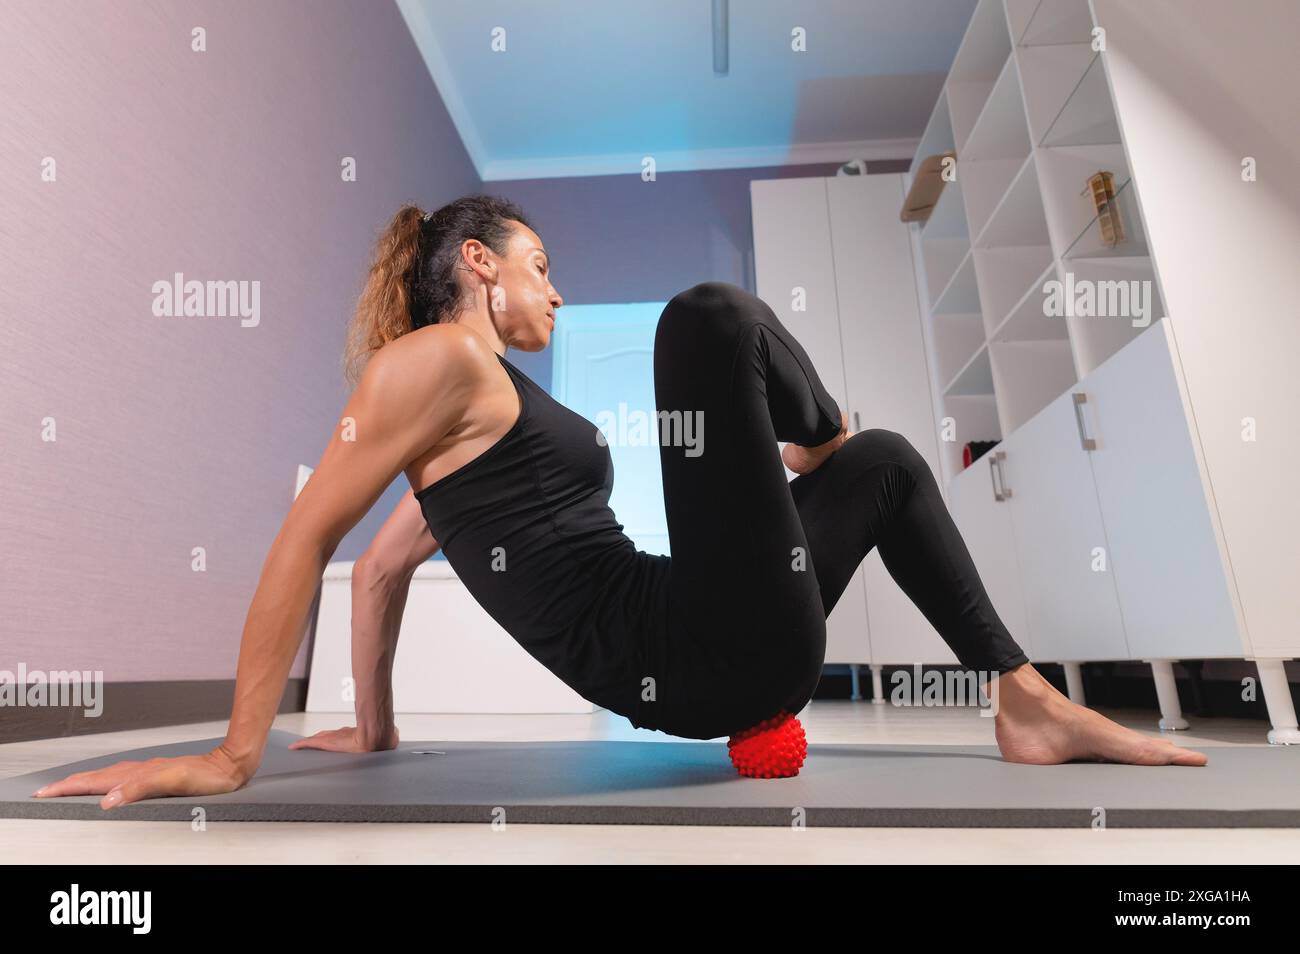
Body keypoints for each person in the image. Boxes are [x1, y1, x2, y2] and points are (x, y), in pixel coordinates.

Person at [34, 195, 1206, 810]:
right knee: (706, 317)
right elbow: (309, 539)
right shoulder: (436, 365)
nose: (557, 284)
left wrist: (378, 726)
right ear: (480, 267)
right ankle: (821, 442)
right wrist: (241, 751)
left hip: (721, 645)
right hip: (699, 655)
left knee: (892, 463)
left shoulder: (468, 418)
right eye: (539, 262)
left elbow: (388, 568)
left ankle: (1027, 702)